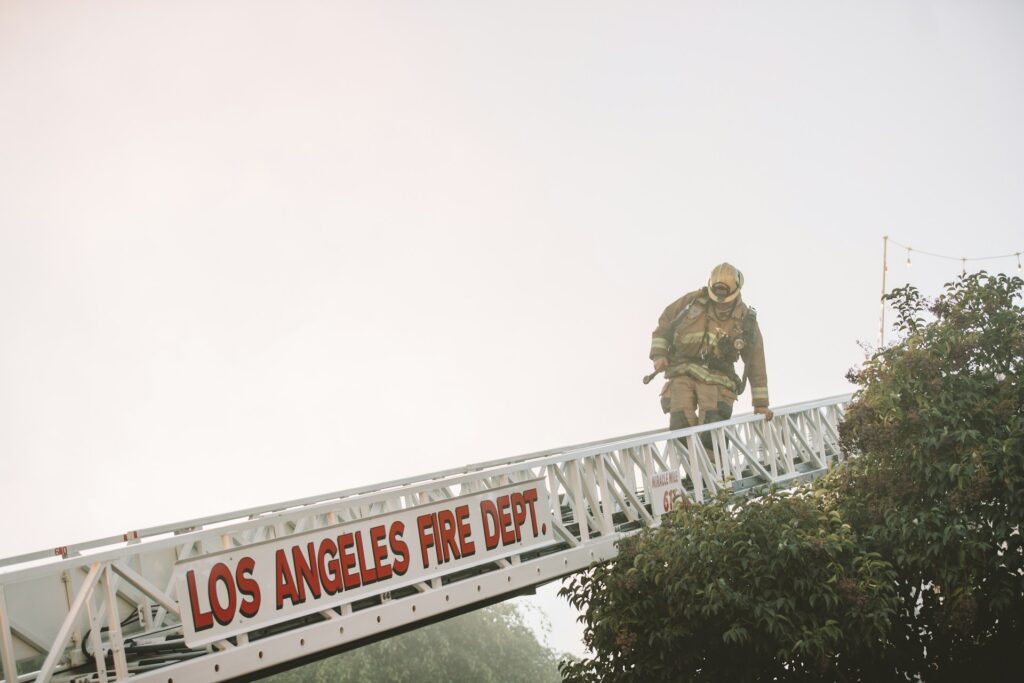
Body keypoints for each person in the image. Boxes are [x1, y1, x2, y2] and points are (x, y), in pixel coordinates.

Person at [649, 263, 773, 436]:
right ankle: (692, 461)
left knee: (712, 429)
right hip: (682, 370)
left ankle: (714, 463)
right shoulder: (691, 303)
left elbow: (756, 362)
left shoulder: (746, 320)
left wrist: (761, 403)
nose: (721, 304)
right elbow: (664, 325)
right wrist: (659, 355)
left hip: (719, 379)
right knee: (680, 424)